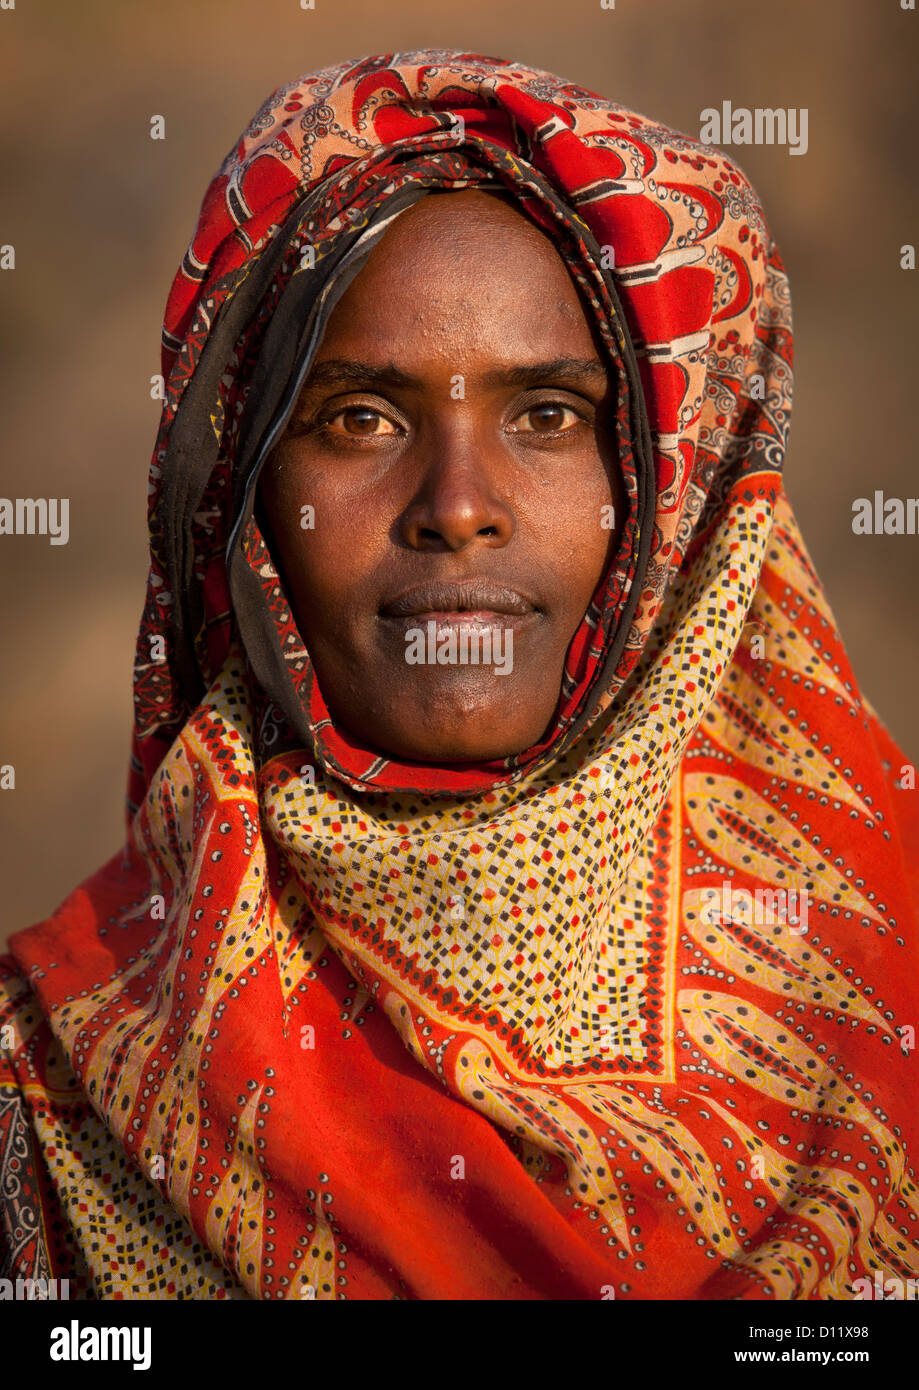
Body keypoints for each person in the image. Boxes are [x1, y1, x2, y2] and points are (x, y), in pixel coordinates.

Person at [2, 49, 917, 1302]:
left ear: (674, 495)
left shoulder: (891, 974)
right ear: (244, 496)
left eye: (545, 415)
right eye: (360, 418)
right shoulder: (50, 1091)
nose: (457, 507)